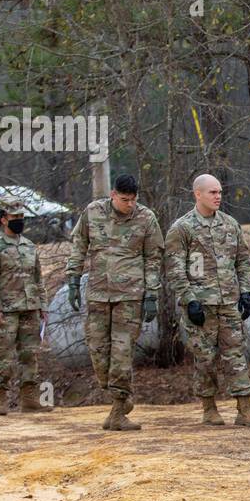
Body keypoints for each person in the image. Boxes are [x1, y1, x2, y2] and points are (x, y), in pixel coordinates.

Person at [67, 173, 164, 431]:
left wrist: (152, 294)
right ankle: (119, 400)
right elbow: (78, 246)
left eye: (133, 199)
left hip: (130, 297)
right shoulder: (93, 212)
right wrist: (73, 280)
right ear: (112, 195)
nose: (129, 204)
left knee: (121, 354)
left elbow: (153, 258)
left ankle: (120, 408)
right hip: (98, 294)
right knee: (98, 352)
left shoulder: (146, 218)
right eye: (124, 199)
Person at [164, 174, 250, 428]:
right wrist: (188, 300)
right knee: (205, 358)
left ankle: (244, 408)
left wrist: (245, 293)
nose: (218, 196)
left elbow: (242, 261)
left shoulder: (230, 224)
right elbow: (175, 270)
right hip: (200, 305)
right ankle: (209, 407)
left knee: (236, 354)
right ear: (198, 194)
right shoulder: (182, 228)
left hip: (228, 302)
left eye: (219, 192)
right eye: (212, 192)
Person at [0, 194, 50, 417]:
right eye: (14, 216)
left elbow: (38, 278)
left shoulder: (29, 246)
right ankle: (0, 398)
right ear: (3, 219)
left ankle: (29, 399)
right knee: (3, 356)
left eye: (21, 216)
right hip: (6, 310)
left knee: (30, 354)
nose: (19, 220)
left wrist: (43, 306)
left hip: (30, 308)